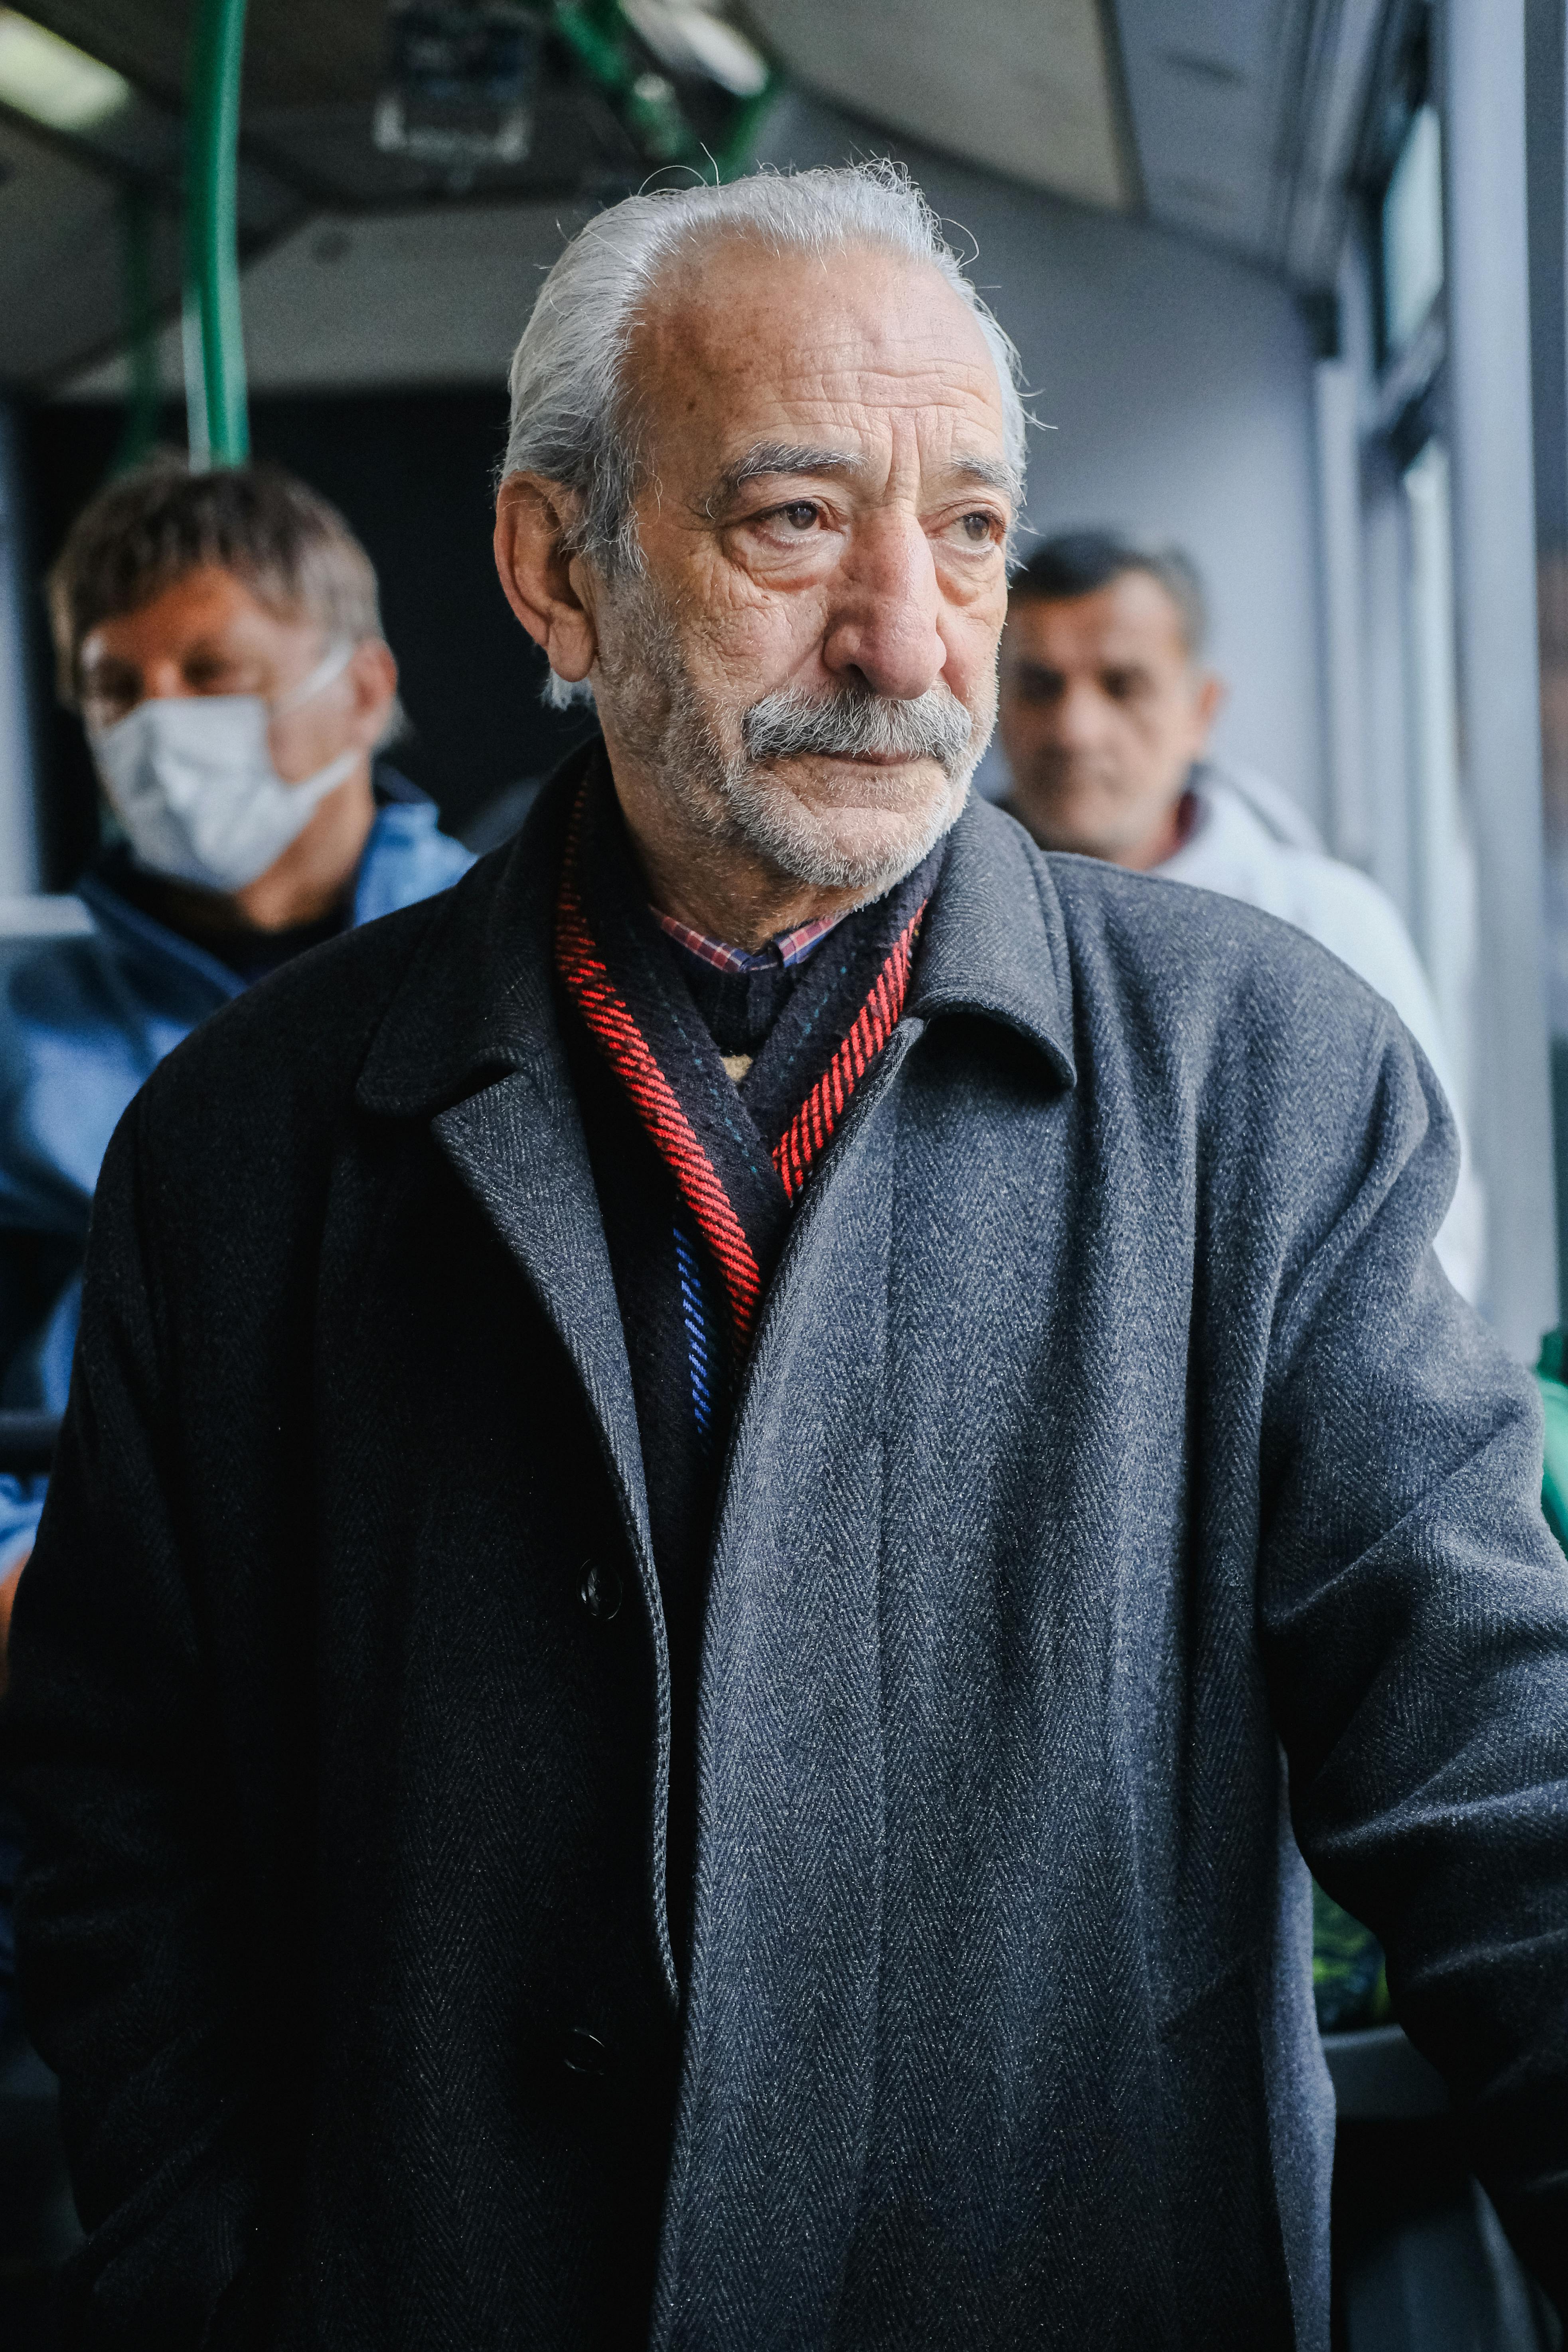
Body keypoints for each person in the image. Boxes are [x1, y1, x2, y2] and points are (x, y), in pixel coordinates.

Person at [3, 162, 1566, 2351]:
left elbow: (1493, 1753)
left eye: (968, 530)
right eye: (796, 522)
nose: (914, 647)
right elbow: (110, 1799)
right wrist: (217, 2268)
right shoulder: (251, 1144)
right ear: (557, 571)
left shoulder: (1261, 1079)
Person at [0, 460, 471, 2032]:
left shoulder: (507, 975)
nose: (157, 726)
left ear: (362, 688)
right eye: (114, 686)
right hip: (97, 1716)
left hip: (439, 1728)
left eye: (213, 675)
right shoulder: (25, 1027)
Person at [995, 530, 1485, 1300]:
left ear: (1201, 709)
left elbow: (1432, 1224)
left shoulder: (1326, 923)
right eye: (1039, 685)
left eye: (1121, 684)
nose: (1074, 729)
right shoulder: (927, 921)